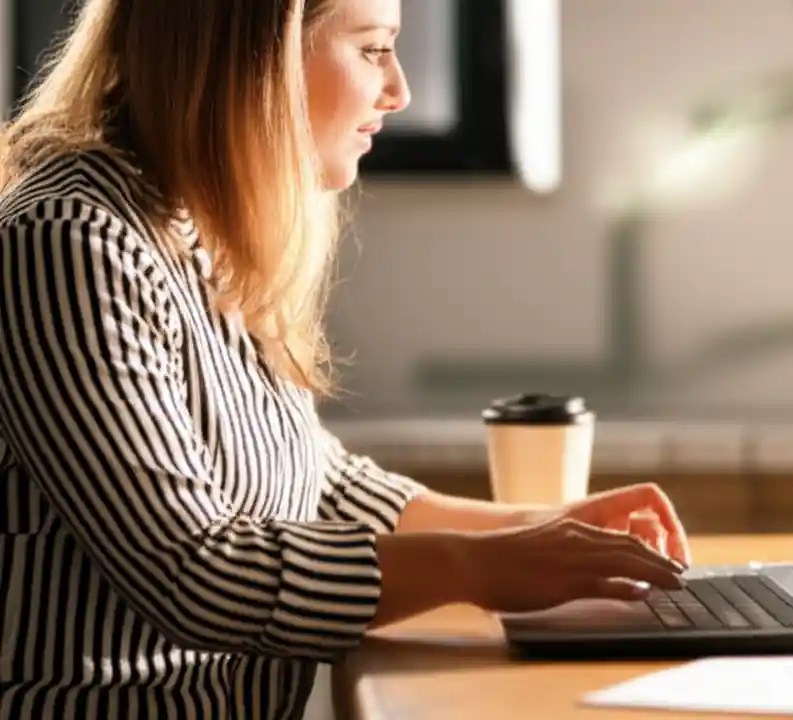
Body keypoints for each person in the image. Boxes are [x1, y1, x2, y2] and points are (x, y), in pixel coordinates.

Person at [0, 0, 690, 717]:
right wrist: (481, 567)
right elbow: (195, 574)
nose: (399, 90)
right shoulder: (68, 241)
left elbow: (319, 483)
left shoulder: (197, 224)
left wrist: (539, 528)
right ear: (257, 57)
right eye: (372, 49)